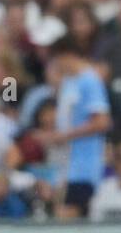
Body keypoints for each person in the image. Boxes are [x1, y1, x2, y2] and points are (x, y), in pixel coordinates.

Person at [43, 37, 112, 219]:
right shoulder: (68, 83)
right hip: (66, 166)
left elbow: (102, 121)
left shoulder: (90, 81)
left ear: (68, 56)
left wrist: (65, 136)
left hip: (84, 167)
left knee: (70, 217)